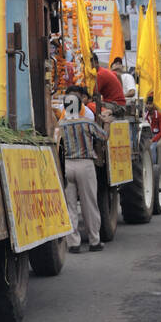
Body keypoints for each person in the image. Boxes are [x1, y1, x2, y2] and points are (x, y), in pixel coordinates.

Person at [56, 85, 106, 253]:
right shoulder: (87, 122)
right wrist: (106, 123)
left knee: (70, 206)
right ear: (79, 107)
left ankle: (74, 243)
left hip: (66, 165)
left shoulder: (60, 124)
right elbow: (103, 137)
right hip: (85, 164)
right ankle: (94, 241)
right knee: (89, 204)